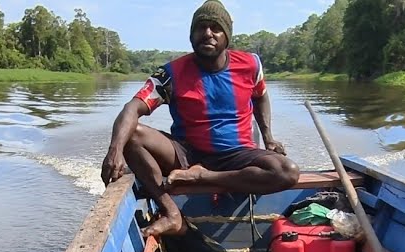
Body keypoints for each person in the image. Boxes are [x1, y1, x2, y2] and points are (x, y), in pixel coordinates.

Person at [100, 0, 300, 239]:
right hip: (187, 153)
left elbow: (261, 96)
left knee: (287, 171)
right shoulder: (170, 74)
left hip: (237, 154)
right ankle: (171, 213)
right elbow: (133, 107)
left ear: (227, 35)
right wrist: (115, 150)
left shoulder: (250, 65)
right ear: (191, 35)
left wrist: (268, 137)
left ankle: (203, 175)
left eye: (215, 28)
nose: (207, 33)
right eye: (200, 27)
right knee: (132, 135)